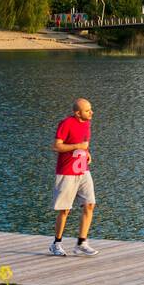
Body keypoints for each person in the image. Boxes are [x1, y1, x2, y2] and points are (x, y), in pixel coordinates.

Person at [49, 98, 98, 256]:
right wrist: (77, 147)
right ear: (77, 113)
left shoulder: (87, 123)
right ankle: (56, 243)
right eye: (87, 110)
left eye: (90, 109)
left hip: (83, 169)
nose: (91, 112)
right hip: (67, 172)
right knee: (65, 210)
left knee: (89, 205)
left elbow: (83, 143)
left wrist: (87, 152)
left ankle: (81, 243)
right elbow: (56, 146)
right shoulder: (66, 123)